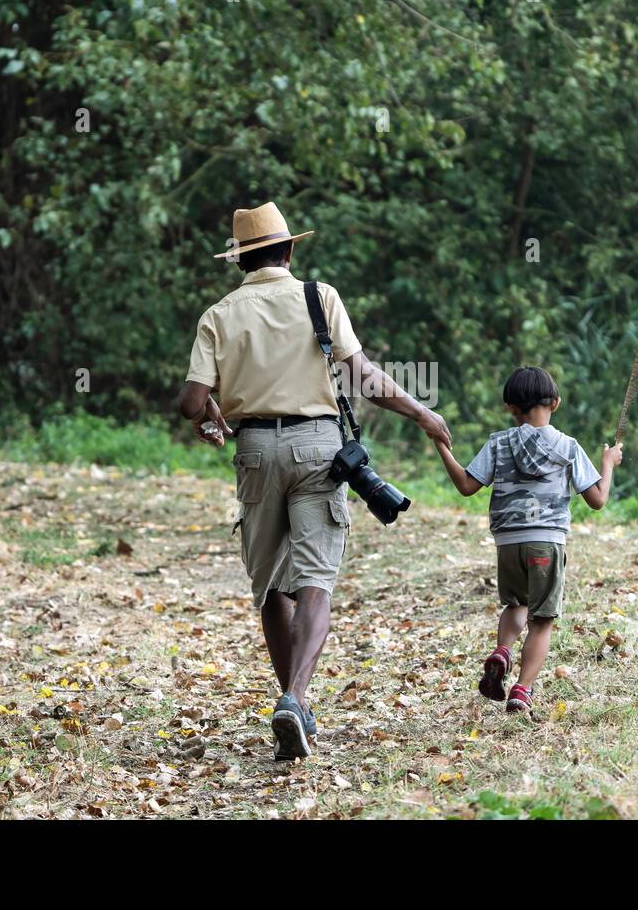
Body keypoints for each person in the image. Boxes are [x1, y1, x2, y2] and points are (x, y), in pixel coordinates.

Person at [176, 202, 451, 759]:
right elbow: (364, 376)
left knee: (272, 588)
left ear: (239, 261)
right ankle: (295, 699)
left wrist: (212, 420)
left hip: (254, 450)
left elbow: (191, 402)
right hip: (319, 449)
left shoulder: (219, 314)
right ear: (290, 249)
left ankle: (291, 701)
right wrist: (422, 414)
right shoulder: (318, 297)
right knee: (315, 582)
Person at [432, 365, 622, 713]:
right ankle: (523, 689)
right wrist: (608, 463)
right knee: (542, 620)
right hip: (546, 543)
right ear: (556, 402)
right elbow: (597, 500)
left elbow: (466, 486)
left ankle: (502, 650)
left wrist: (442, 446)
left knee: (515, 604)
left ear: (511, 408)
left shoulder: (498, 443)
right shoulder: (567, 446)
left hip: (508, 543)